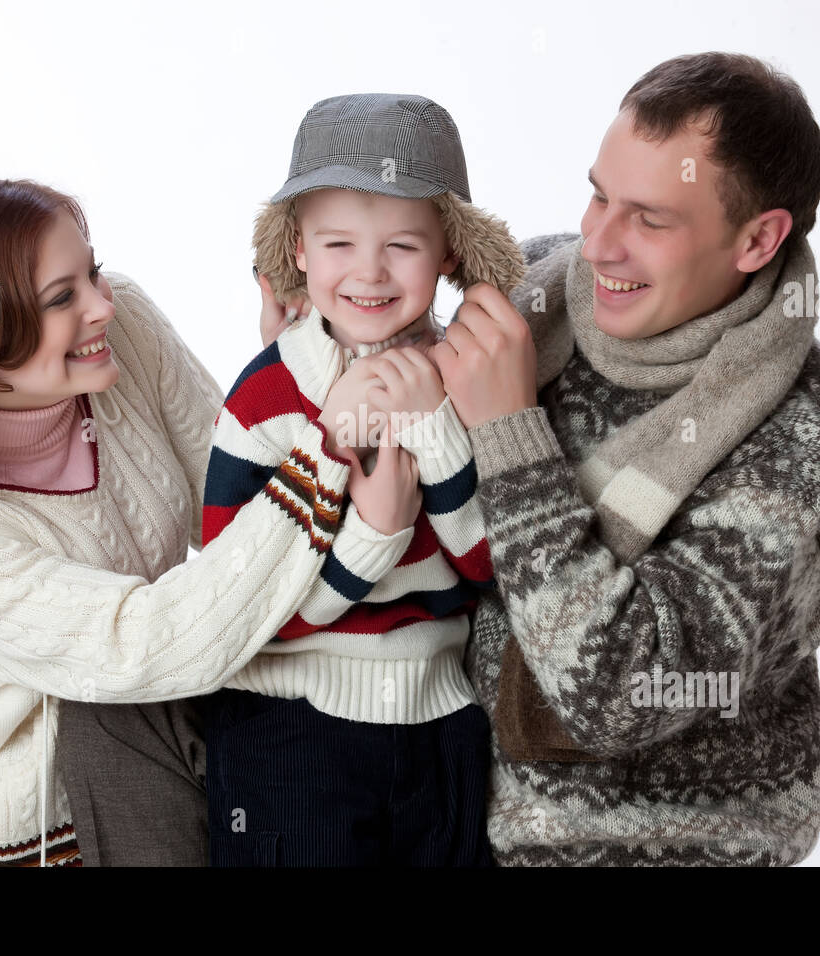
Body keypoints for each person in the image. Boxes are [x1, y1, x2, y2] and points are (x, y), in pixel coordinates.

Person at [0, 174, 371, 866]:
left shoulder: (125, 335)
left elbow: (230, 513)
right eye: (62, 298)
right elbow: (145, 644)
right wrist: (329, 447)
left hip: (120, 782)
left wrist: (291, 379)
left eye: (90, 271)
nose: (102, 303)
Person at [422, 52, 820, 865]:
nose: (598, 245)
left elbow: (620, 694)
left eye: (649, 218)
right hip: (455, 820)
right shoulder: (536, 299)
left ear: (758, 238)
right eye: (598, 194)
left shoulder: (812, 433)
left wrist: (510, 433)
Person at [62, 93, 526, 866]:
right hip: (293, 728)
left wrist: (437, 430)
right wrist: (370, 539)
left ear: (449, 249)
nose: (370, 273)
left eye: (403, 246)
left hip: (440, 727)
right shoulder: (267, 399)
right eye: (338, 243)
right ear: (298, 252)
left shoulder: (472, 379)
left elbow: (493, 568)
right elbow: (240, 603)